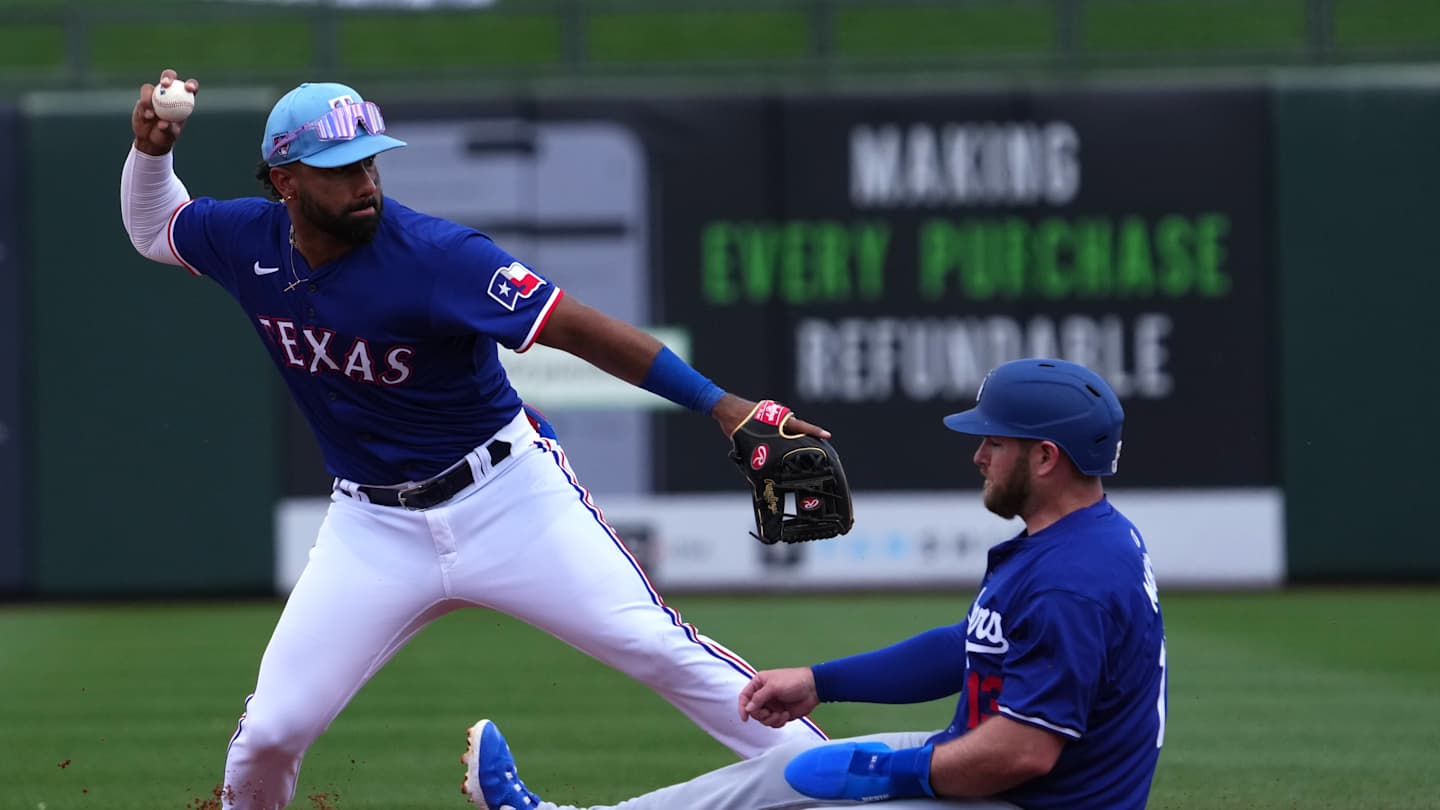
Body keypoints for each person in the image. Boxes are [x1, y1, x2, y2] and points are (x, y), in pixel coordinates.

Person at [120, 70, 828, 810]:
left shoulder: (438, 255)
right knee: (271, 731)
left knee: (660, 649)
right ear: (288, 183)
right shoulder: (246, 241)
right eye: (341, 169)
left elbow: (578, 328)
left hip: (506, 496)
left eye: (370, 160)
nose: (365, 180)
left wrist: (719, 404)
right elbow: (152, 226)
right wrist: (151, 152)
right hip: (374, 525)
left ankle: (851, 785)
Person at [459, 357, 1167, 810]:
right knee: (789, 772)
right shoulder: (1075, 542)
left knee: (827, 795)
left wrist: (889, 775)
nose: (979, 454)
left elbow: (1022, 751)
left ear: (1046, 457)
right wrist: (821, 681)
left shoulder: (1074, 579)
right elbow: (969, 649)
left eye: (996, 441)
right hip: (1003, 780)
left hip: (1022, 797)